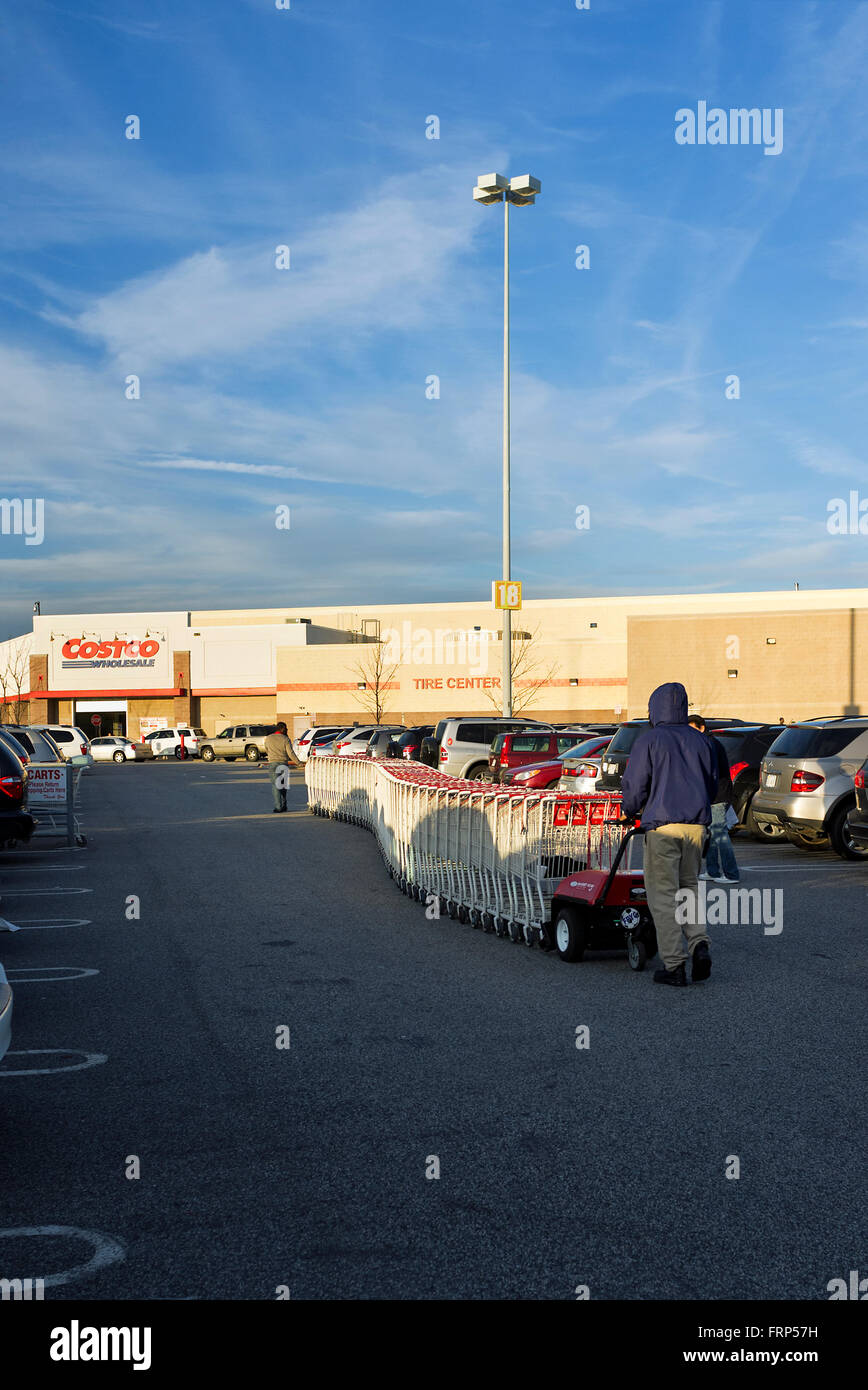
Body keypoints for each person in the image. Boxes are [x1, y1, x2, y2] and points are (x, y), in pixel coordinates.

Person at [620, 682, 718, 987]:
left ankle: (674, 965)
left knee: (663, 896)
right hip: (696, 826)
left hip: (663, 826)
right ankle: (698, 943)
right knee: (689, 888)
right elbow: (712, 784)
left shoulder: (650, 740)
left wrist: (629, 810)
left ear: (655, 708)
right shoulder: (702, 741)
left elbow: (636, 785)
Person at [688, 715, 740, 884]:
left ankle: (732, 874)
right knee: (711, 833)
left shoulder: (709, 745)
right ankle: (712, 871)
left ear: (702, 728)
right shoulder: (708, 743)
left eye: (692, 729)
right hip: (712, 795)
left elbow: (710, 772)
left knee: (719, 833)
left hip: (718, 795)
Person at [264, 722, 298, 813]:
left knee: (276, 786)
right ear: (283, 729)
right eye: (286, 728)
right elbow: (290, 753)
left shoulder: (268, 738)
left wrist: (272, 756)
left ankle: (278, 807)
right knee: (283, 786)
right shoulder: (286, 739)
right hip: (283, 764)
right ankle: (283, 805)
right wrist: (298, 762)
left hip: (273, 764)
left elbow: (266, 749)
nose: (287, 730)